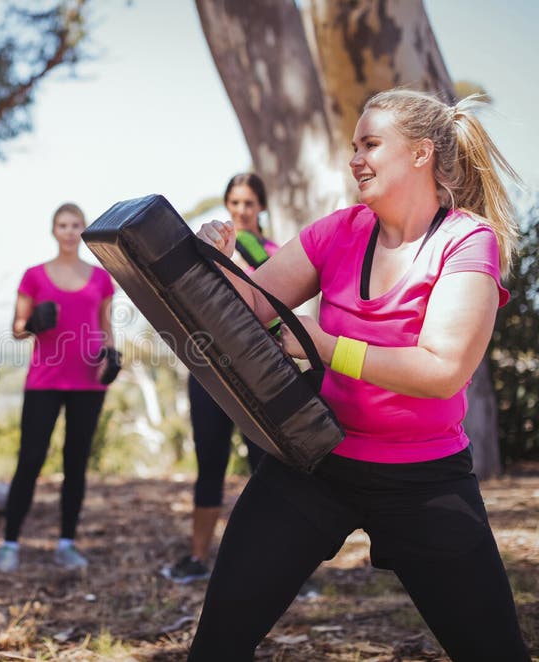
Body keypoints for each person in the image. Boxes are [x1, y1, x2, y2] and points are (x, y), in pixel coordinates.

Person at [188, 88, 529, 660]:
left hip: (425, 478)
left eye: (371, 144)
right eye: (354, 146)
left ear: (421, 154)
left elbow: (442, 370)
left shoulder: (466, 241)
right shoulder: (339, 230)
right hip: (314, 464)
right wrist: (220, 263)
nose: (356, 158)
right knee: (217, 645)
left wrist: (328, 347)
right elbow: (251, 308)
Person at [0, 203, 121, 572]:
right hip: (45, 380)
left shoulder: (101, 279)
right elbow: (18, 329)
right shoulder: (34, 276)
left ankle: (67, 543)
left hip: (88, 381)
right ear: (54, 230)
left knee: (76, 463)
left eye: (75, 225)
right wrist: (32, 321)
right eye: (62, 225)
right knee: (31, 459)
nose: (68, 231)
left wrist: (111, 356)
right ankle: (9, 543)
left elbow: (105, 327)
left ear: (83, 230)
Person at [161, 173, 274, 584]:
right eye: (234, 203)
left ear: (261, 206)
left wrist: (236, 257)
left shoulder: (275, 253)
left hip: (258, 374)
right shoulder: (208, 254)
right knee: (210, 463)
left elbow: (271, 306)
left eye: (248, 203)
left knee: (266, 468)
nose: (241, 211)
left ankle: (277, 559)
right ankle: (196, 557)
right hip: (210, 372)